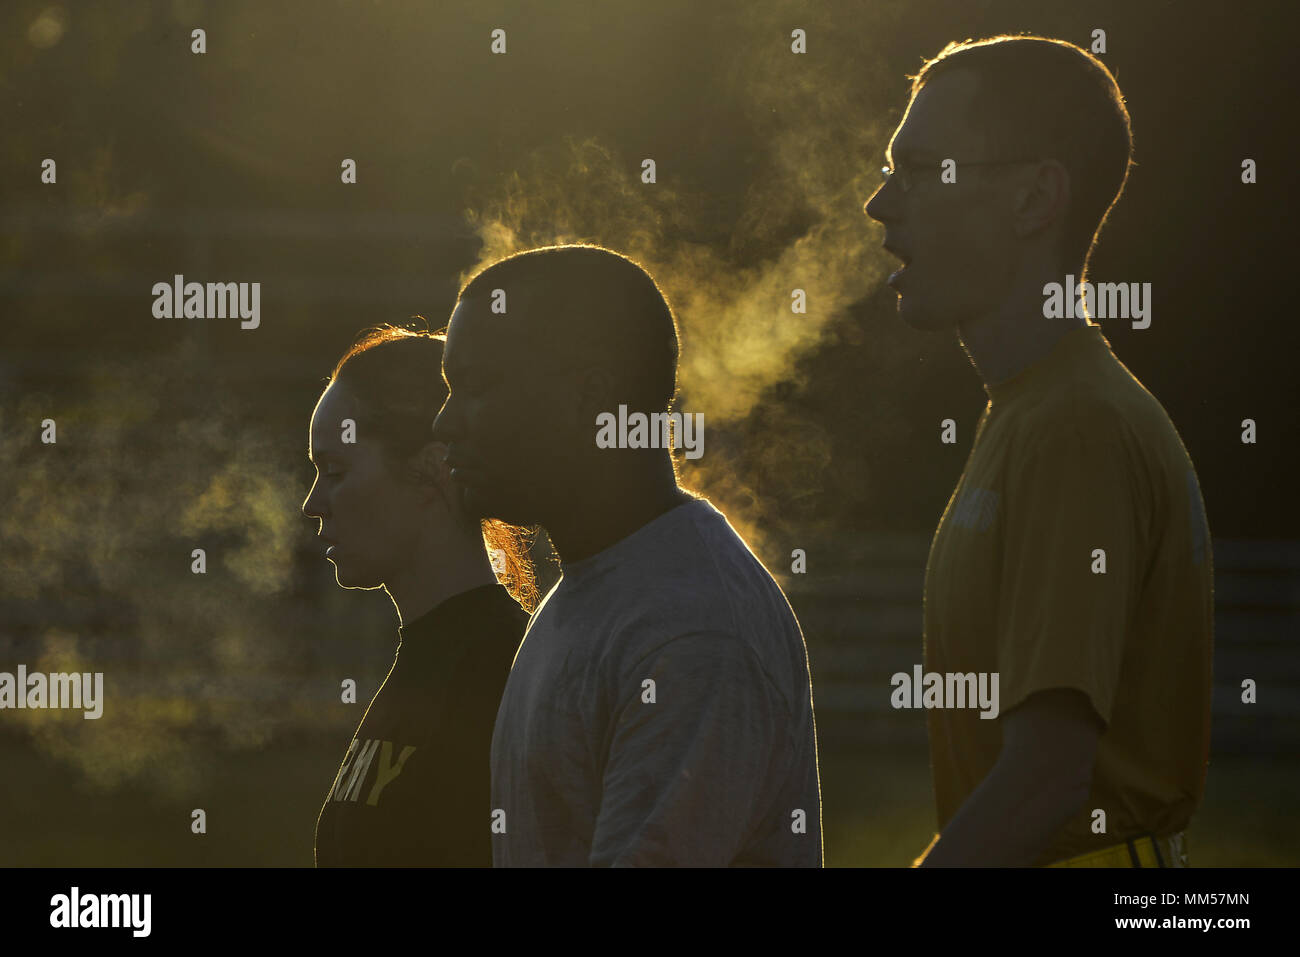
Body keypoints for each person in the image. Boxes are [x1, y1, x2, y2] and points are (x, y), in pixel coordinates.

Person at [864, 35, 1213, 867]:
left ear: (1034, 198)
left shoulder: (1075, 428)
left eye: (918, 169)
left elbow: (1044, 780)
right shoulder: (1036, 409)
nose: (880, 203)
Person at [431, 243, 823, 866]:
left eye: (476, 387)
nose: (444, 424)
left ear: (590, 396)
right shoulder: (598, 587)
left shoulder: (689, 632)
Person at [302, 324, 534, 866]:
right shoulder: (428, 653)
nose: (313, 504)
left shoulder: (502, 667)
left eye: (335, 472)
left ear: (430, 470)